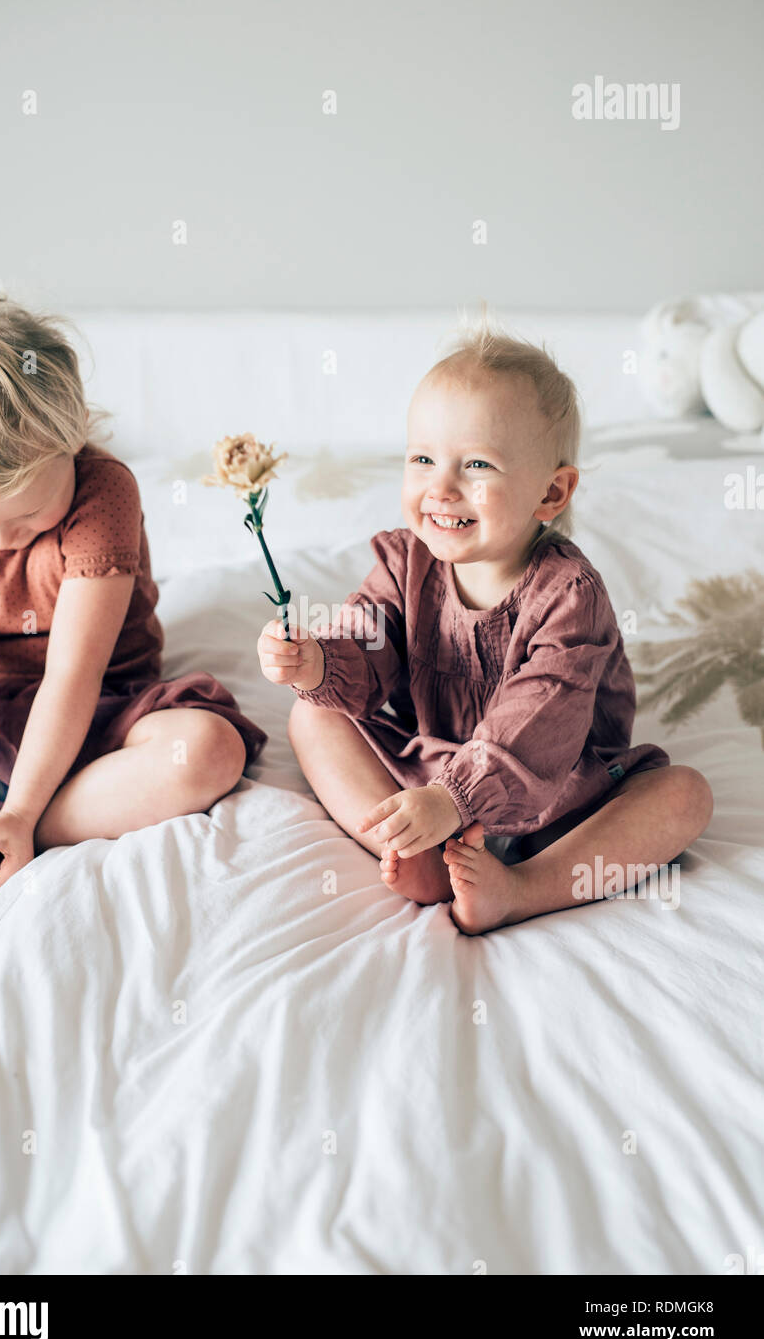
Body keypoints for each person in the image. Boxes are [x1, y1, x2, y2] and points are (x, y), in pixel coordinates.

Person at [257, 325, 713, 935]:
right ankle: (409, 847)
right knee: (311, 715)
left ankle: (523, 888)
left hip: (561, 793)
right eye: (422, 458)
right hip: (426, 784)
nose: (441, 487)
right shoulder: (405, 561)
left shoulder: (567, 593)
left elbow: (542, 712)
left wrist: (456, 801)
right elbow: (368, 645)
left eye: (476, 464)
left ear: (551, 492)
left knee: (683, 795)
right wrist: (318, 662)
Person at [0, 293, 266, 902]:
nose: (3, 540)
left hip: (95, 711)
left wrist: (17, 814)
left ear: (72, 441)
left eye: (29, 515)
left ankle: (15, 830)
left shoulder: (104, 490)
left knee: (205, 753)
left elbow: (74, 673)